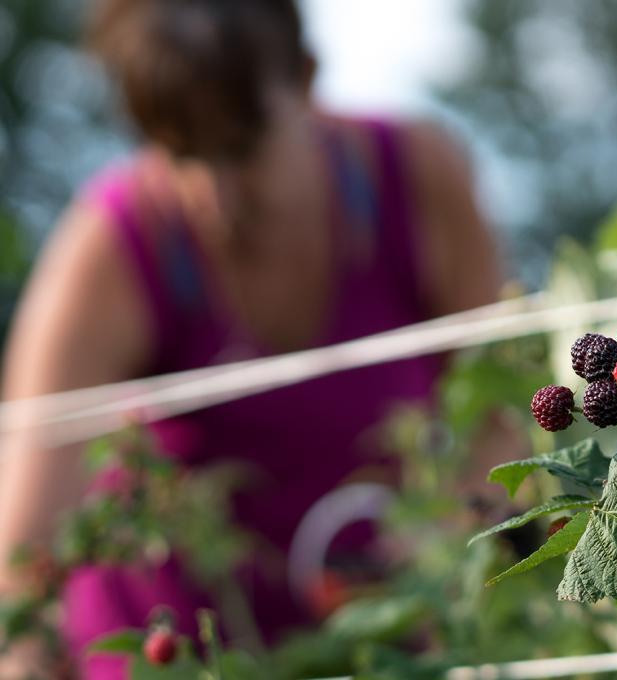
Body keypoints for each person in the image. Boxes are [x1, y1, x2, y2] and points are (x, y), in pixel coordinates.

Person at [0, 0, 500, 676]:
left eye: (240, 147)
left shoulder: (416, 178)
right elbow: (25, 552)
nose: (214, 191)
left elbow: (501, 407)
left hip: (384, 648)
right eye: (181, 152)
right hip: (175, 659)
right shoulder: (116, 249)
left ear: (306, 77)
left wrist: (440, 552)